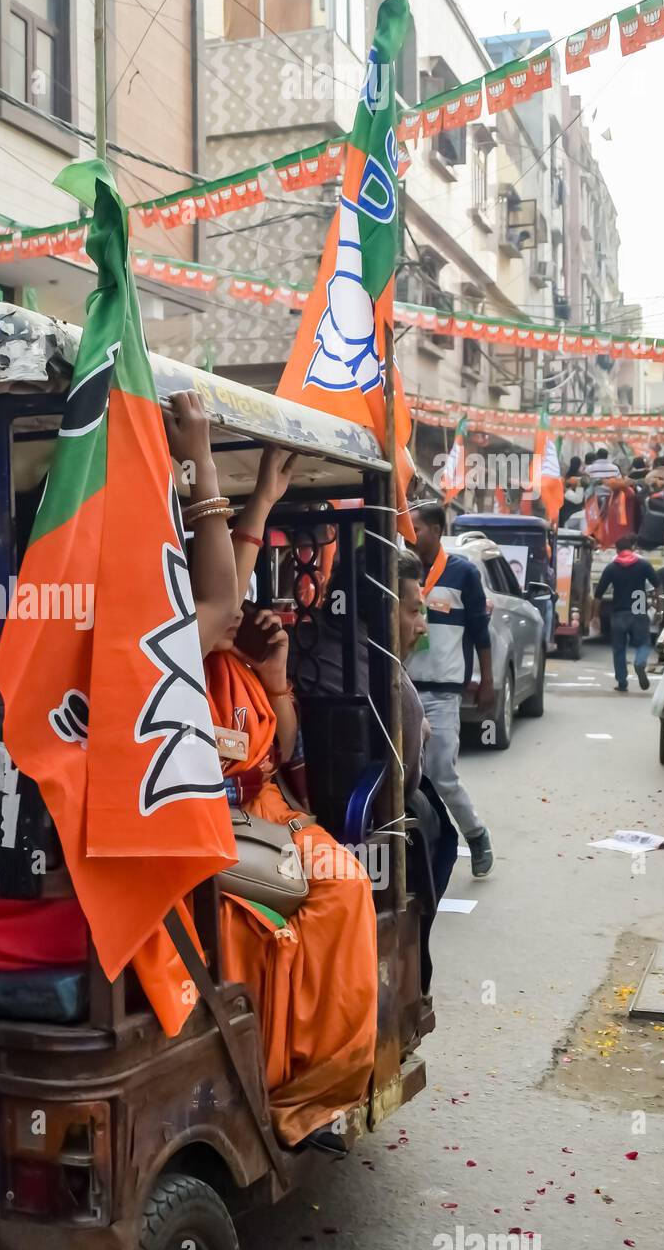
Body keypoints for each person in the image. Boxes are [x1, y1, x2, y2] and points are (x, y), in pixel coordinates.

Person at [165, 391, 379, 1153]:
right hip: (200, 831)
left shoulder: (231, 652)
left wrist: (278, 670)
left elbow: (284, 757)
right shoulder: (169, 648)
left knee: (340, 888)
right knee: (292, 909)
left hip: (262, 816)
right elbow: (219, 596)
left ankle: (309, 1086)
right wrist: (205, 470)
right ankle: (283, 1084)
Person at [404, 503, 495, 878]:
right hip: (404, 686)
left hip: (443, 692)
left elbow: (480, 632)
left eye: (418, 529)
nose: (411, 535)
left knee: (441, 771)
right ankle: (416, 847)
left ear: (438, 530)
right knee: (404, 774)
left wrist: (487, 681)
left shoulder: (464, 573)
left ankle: (475, 834)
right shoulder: (402, 571)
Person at [594, 535, 659, 691]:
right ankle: (639, 662)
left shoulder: (611, 567)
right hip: (638, 609)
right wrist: (659, 606)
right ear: (633, 548)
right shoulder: (644, 565)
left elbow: (598, 595)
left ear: (616, 550)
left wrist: (595, 615)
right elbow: (657, 586)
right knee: (644, 642)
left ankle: (622, 682)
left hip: (619, 612)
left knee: (619, 649)